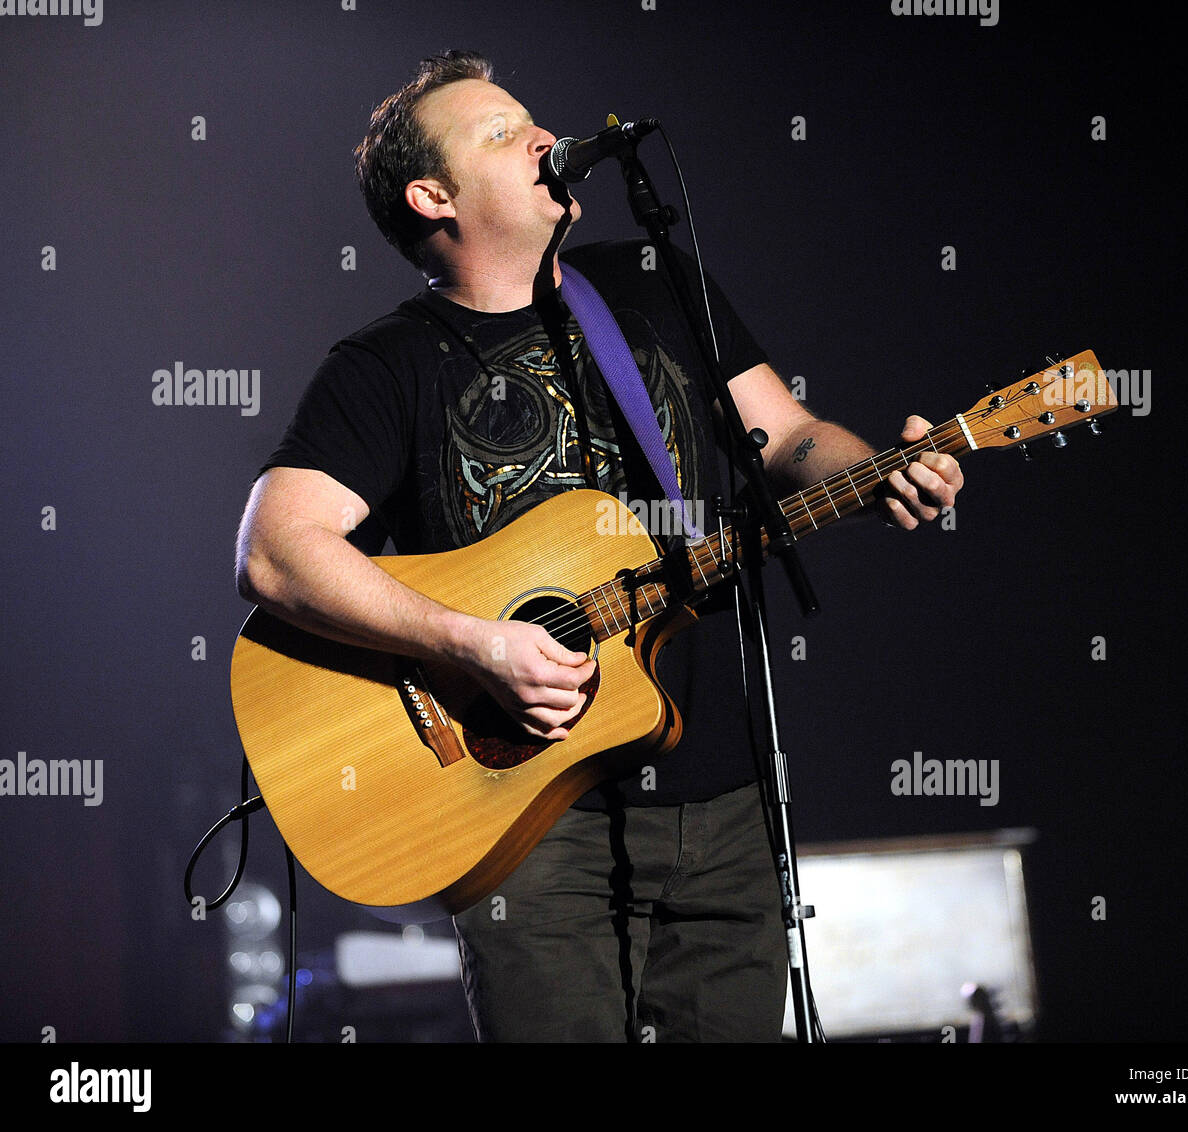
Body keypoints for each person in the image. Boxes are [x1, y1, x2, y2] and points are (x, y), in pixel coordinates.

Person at [234, 50, 964, 1042]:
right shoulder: (384, 366)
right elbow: (276, 552)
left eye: (532, 119)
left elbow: (787, 438)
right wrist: (470, 643)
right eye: (501, 132)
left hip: (723, 800)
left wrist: (879, 467)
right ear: (431, 195)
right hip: (525, 825)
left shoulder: (653, 282)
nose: (542, 137)